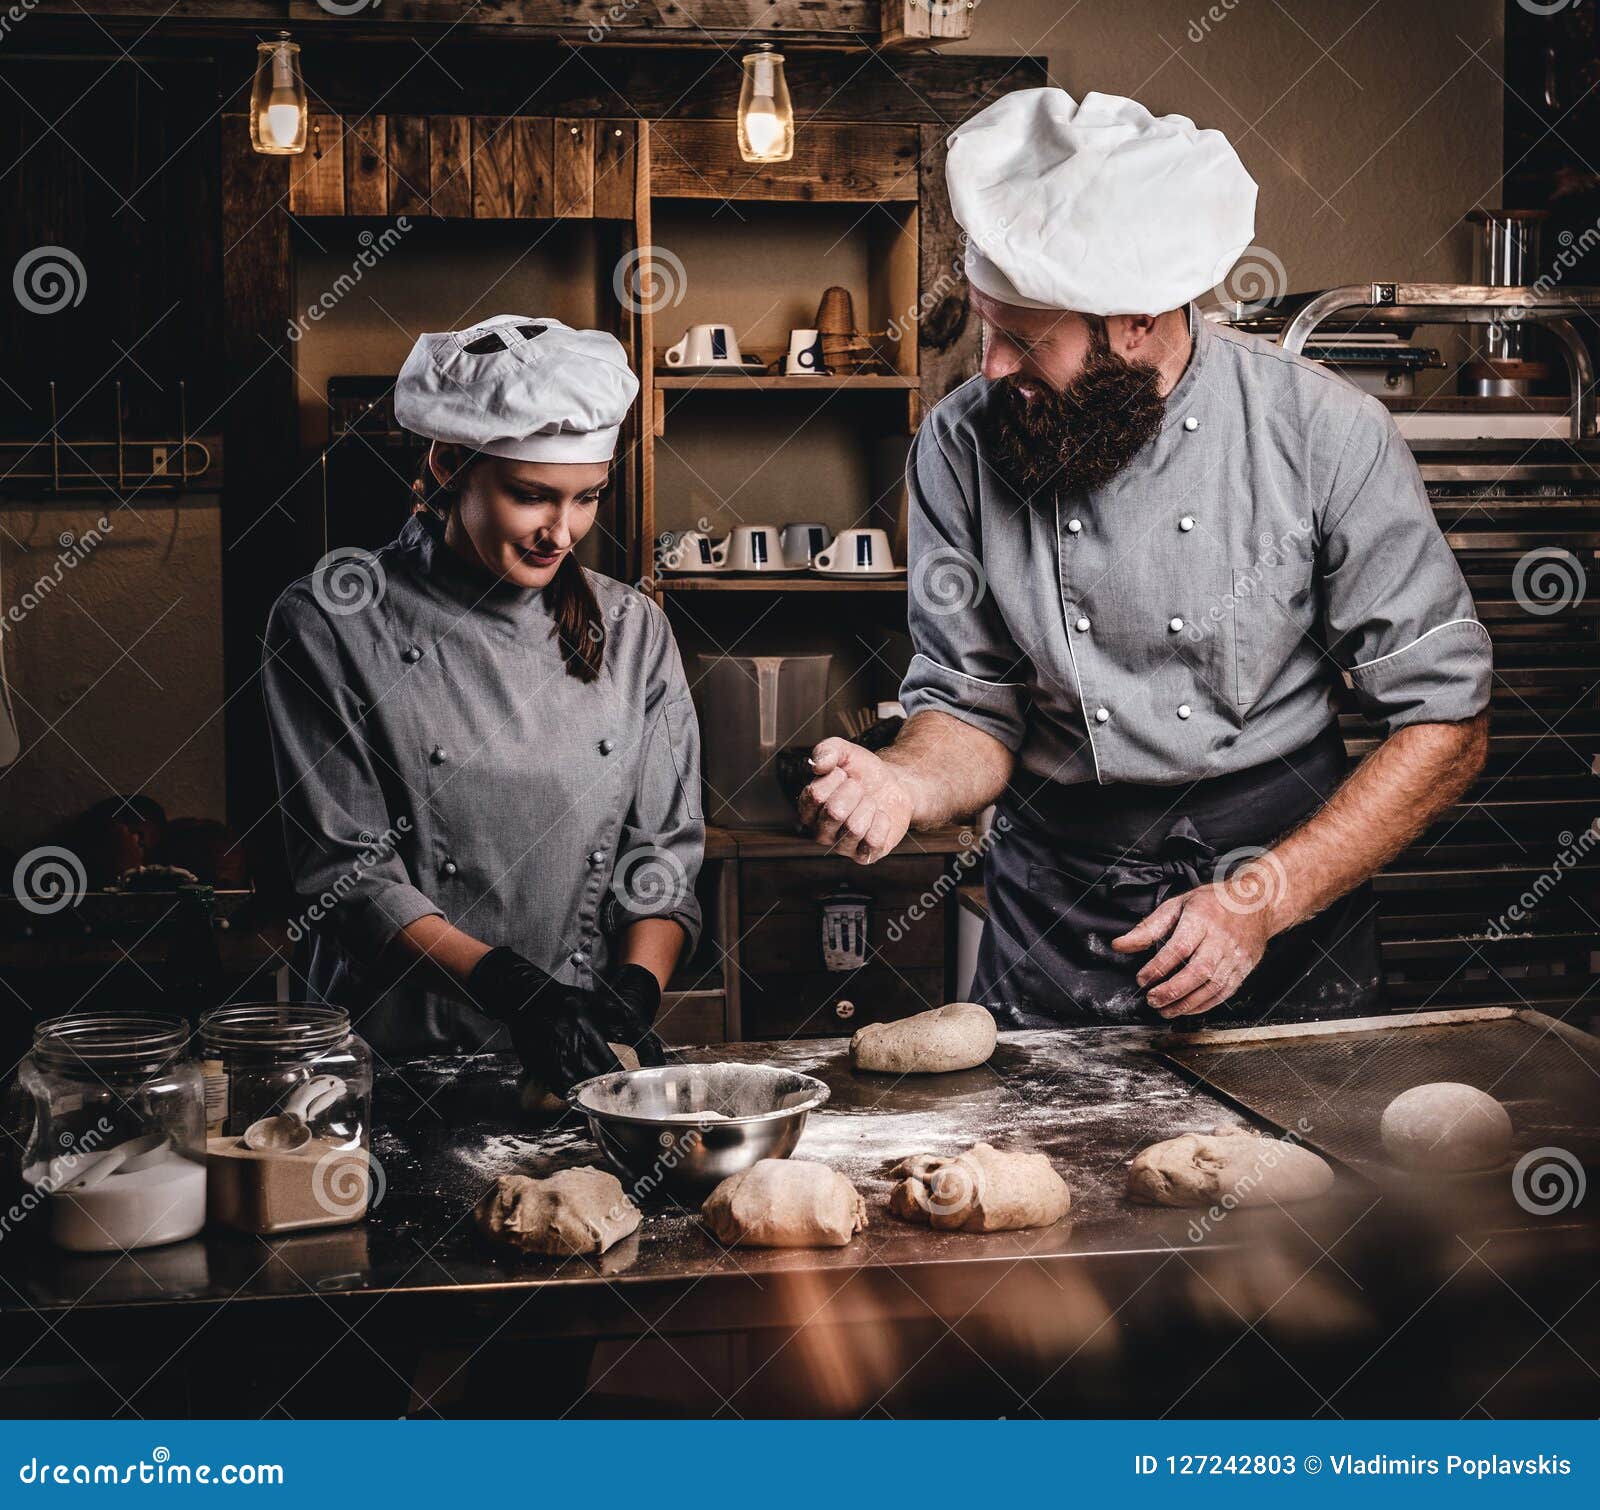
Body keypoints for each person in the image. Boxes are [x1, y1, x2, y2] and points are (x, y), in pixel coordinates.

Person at [799, 89, 1491, 1027]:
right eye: (984, 327)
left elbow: (1446, 722)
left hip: (1282, 899)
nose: (991, 368)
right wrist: (904, 781)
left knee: (1299, 1175)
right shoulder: (960, 445)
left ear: (1134, 322)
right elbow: (971, 705)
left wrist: (1262, 900)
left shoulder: (1323, 432)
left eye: (1023, 339)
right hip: (1057, 913)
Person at [263, 315, 703, 1087]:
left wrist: (634, 991)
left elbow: (663, 853)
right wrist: (511, 988)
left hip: (575, 1062)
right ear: (448, 464)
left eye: (586, 498)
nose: (561, 532)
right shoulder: (330, 619)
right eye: (532, 496)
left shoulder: (633, 630)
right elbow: (349, 871)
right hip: (392, 1063)